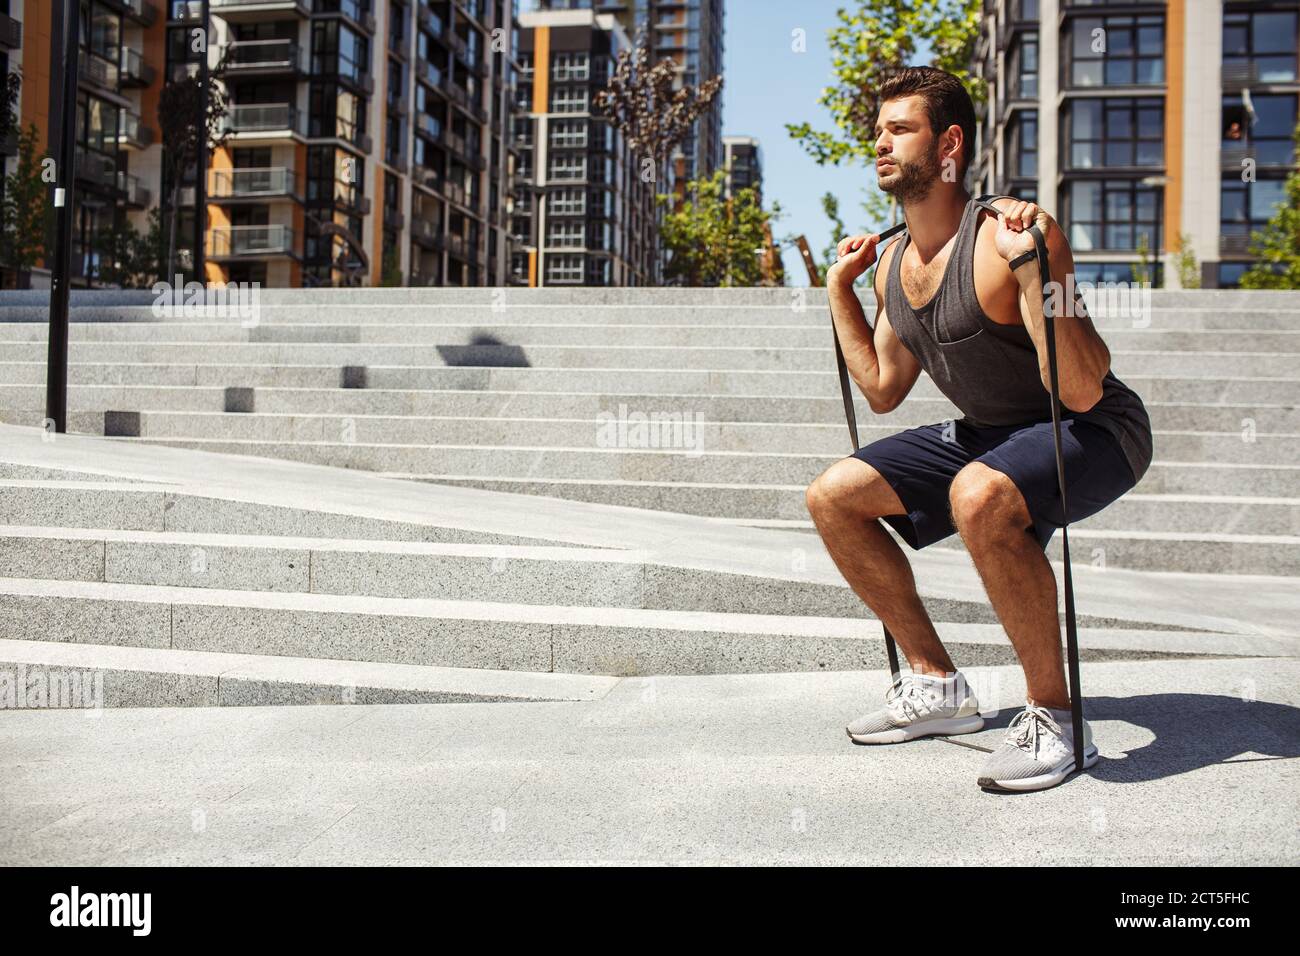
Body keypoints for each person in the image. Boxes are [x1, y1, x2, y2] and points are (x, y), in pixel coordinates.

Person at [805, 66, 1154, 793]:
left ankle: (1055, 718)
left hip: (1095, 428)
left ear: (949, 143)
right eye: (877, 131)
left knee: (979, 494)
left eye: (899, 129)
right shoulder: (893, 262)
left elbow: (1082, 386)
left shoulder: (1011, 237)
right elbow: (880, 389)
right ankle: (935, 685)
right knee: (834, 494)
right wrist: (839, 292)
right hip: (989, 434)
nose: (881, 143)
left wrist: (1034, 277)